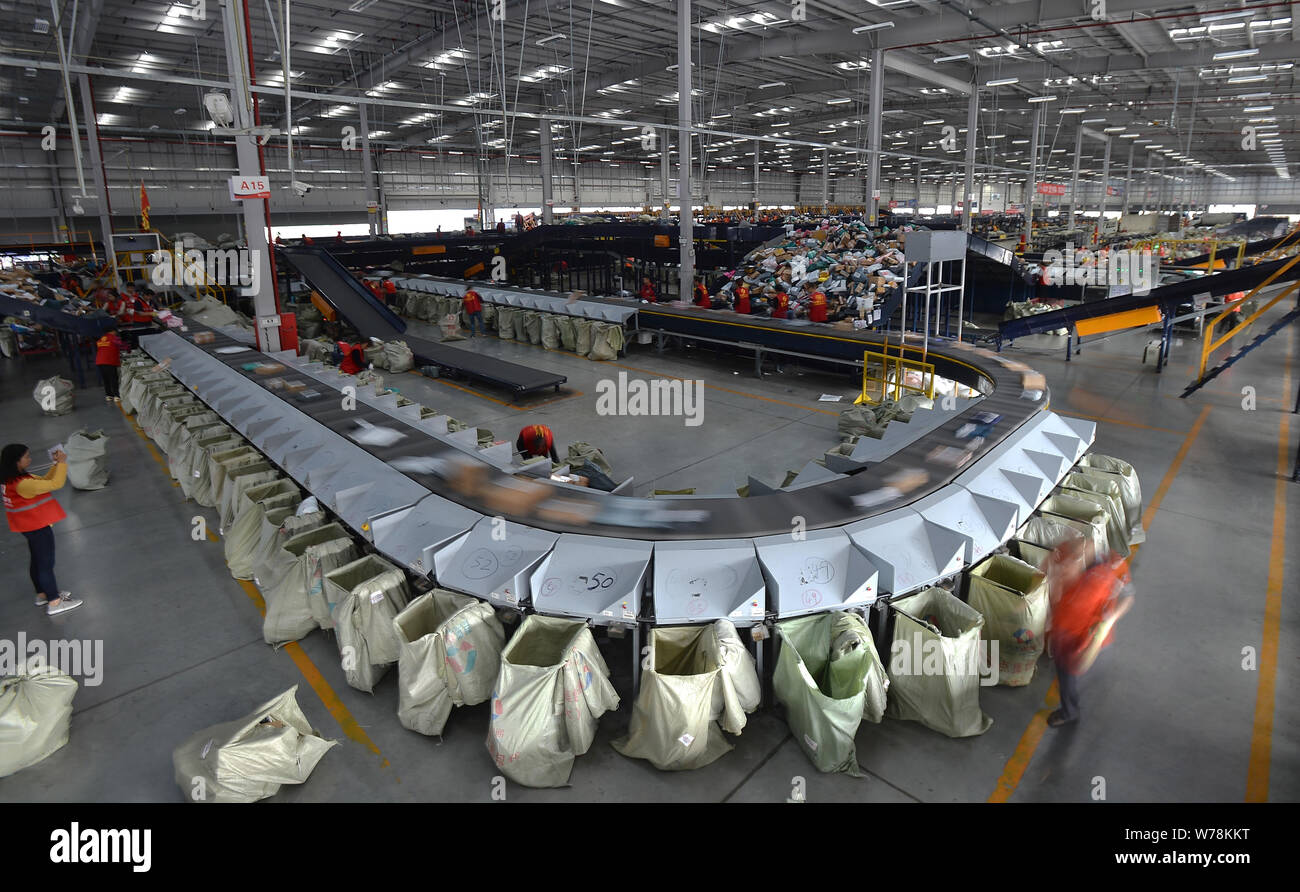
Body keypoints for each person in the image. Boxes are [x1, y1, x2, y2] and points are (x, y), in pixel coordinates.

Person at [1047, 547, 1134, 728]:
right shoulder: (1075, 556)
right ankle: (1070, 696)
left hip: (1080, 636)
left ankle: (1069, 711)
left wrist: (1111, 618)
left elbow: (1128, 597)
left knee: (1068, 674)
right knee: (1066, 671)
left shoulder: (1113, 569)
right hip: (1064, 630)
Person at [3, 443, 81, 615]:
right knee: (46, 564)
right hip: (37, 527)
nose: (30, 459)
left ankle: (43, 594)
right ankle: (54, 601)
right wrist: (62, 463)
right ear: (17, 461)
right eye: (26, 457)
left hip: (27, 527)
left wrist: (55, 465)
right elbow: (56, 484)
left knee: (37, 561)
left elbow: (45, 481)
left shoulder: (14, 479)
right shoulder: (23, 484)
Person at [95, 322, 126, 403]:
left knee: (106, 379)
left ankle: (109, 396)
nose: (116, 332)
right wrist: (128, 349)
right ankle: (116, 396)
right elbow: (122, 345)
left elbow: (105, 349)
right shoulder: (114, 338)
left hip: (99, 362)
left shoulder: (100, 339)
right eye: (115, 331)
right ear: (112, 331)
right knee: (114, 378)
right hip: (109, 361)